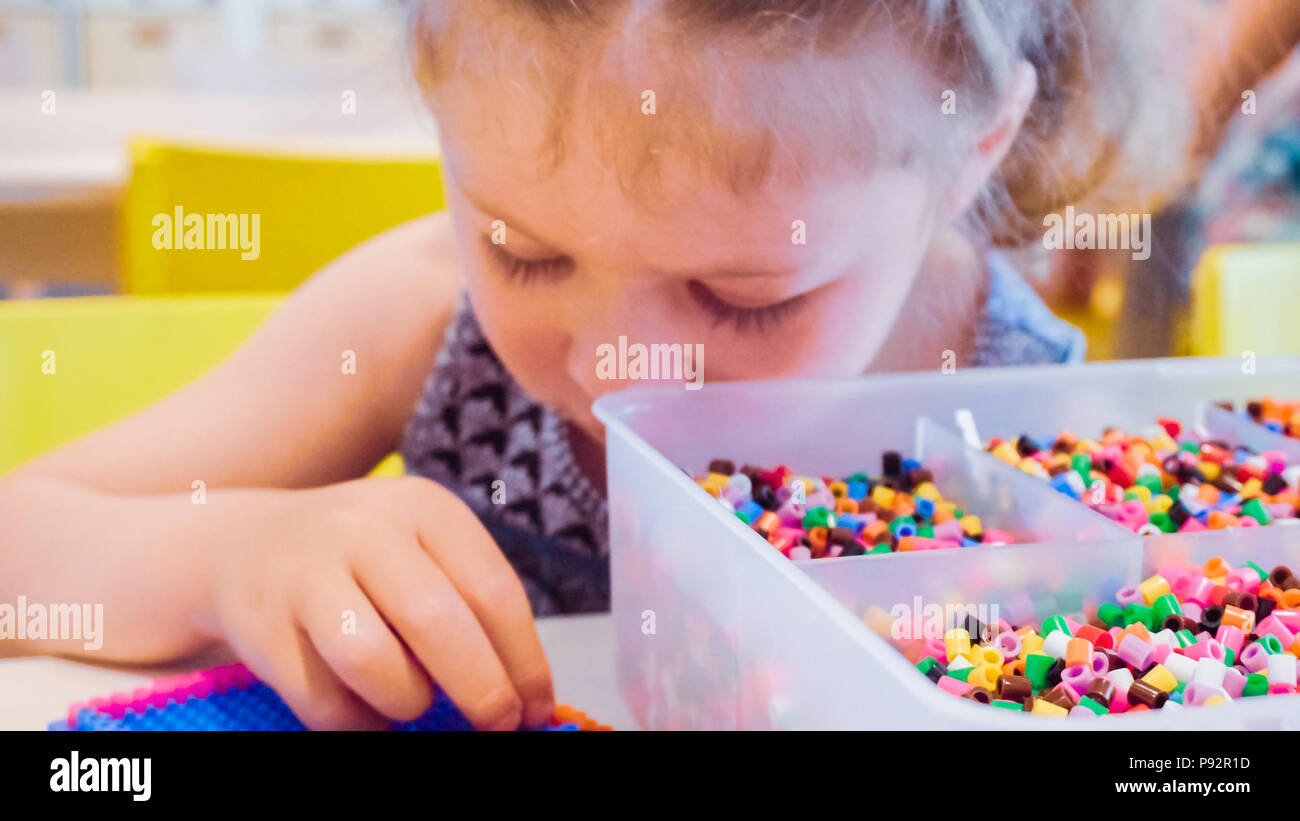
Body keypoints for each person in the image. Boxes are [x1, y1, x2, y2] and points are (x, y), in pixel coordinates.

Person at [0, 0, 1187, 729]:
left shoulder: (1012, 401)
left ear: (971, 153)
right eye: (524, 253)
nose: (621, 359)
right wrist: (227, 552)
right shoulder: (420, 319)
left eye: (743, 294)